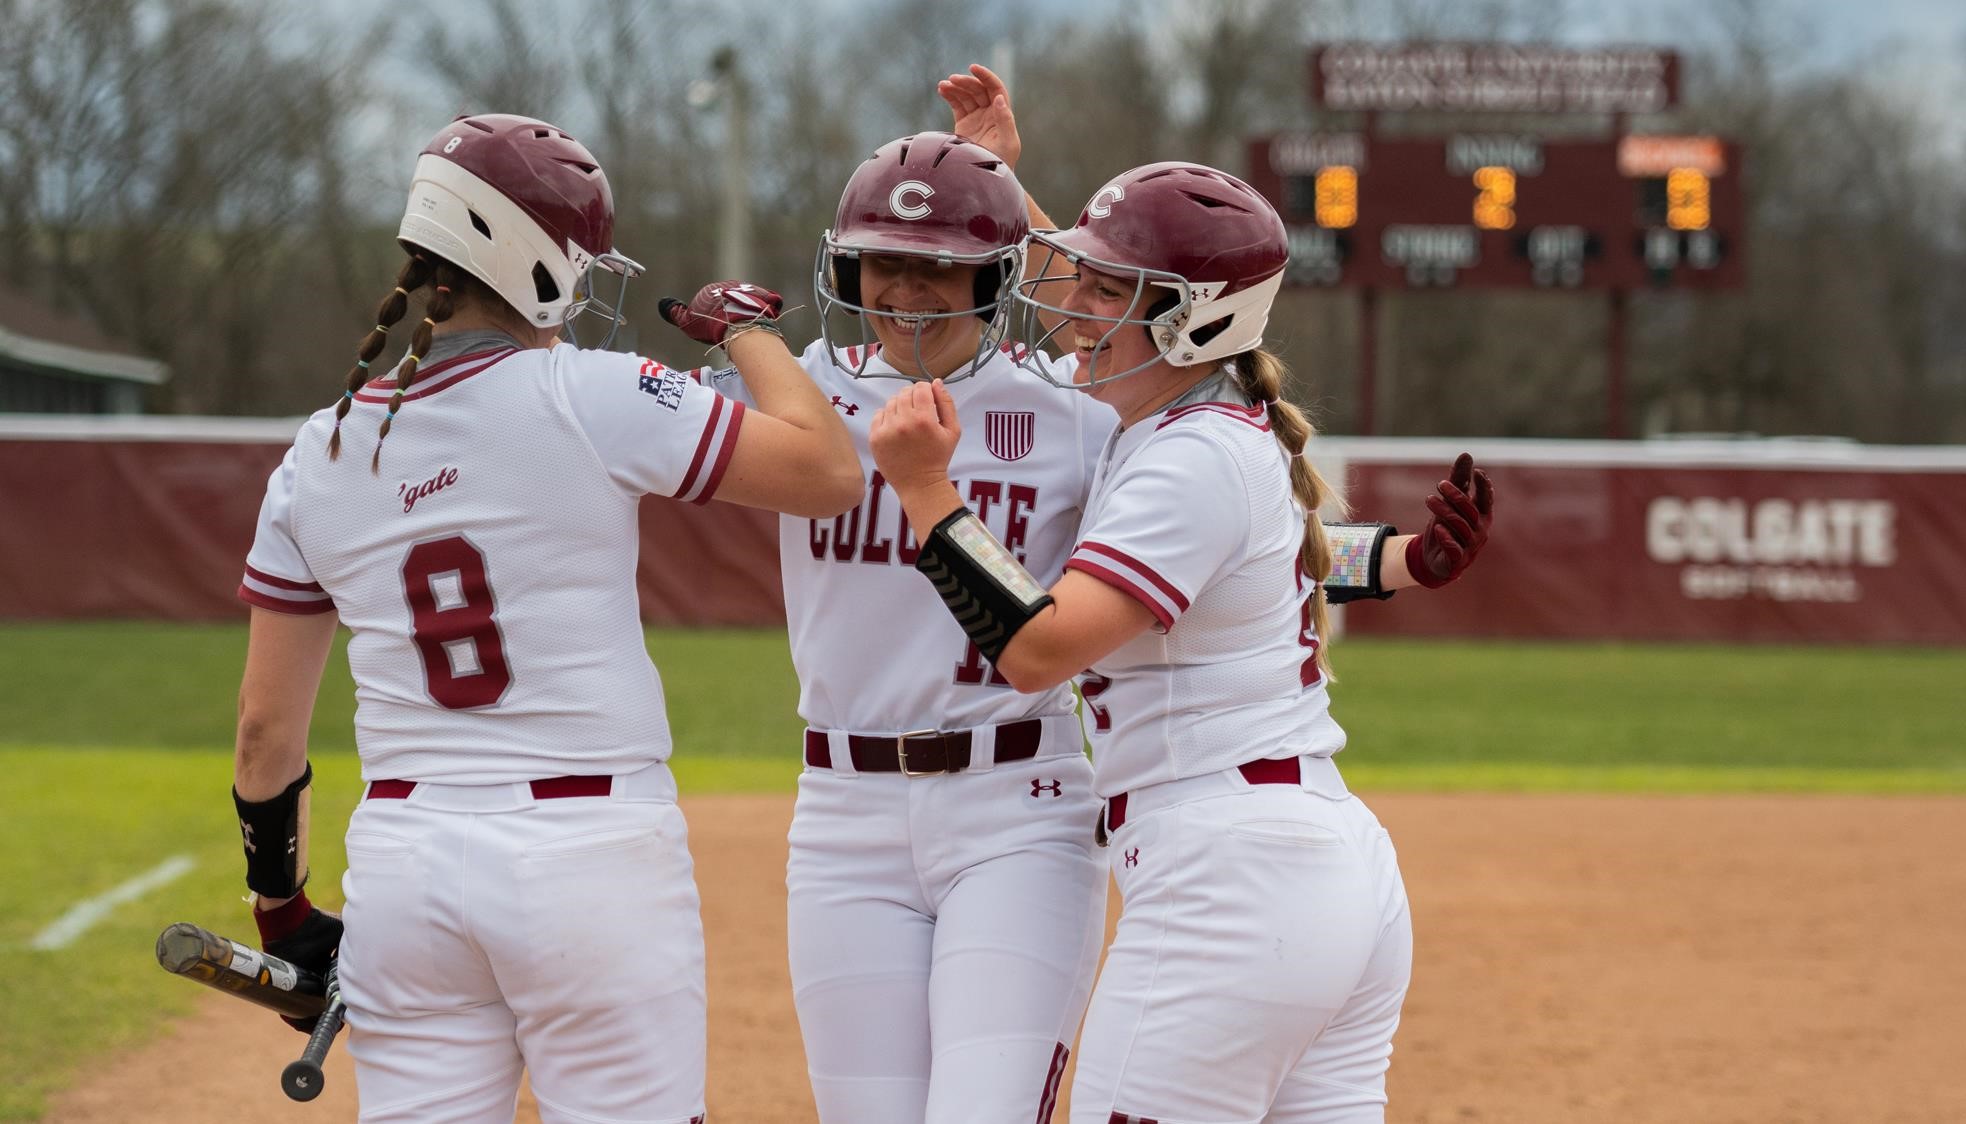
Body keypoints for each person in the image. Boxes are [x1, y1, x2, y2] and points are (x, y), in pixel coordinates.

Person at [228, 112, 861, 1124]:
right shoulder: (592, 392)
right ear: (533, 260)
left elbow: (265, 732)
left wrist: (283, 911)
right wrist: (747, 331)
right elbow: (830, 473)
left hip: (403, 858)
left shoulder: (320, 450)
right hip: (589, 849)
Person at [870, 159, 1495, 1123]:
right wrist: (1406, 558)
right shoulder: (1208, 428)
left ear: (1192, 320)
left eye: (1105, 289)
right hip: (1315, 866)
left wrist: (925, 491)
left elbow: (1038, 650)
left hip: (1230, 881)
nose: (1071, 308)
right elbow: (1269, 562)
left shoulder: (1190, 455)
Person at [683, 122, 1119, 1121]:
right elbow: (609, 428)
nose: (907, 289)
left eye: (939, 266)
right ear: (846, 267)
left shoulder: (1074, 407)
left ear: (993, 277)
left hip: (1018, 802)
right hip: (842, 814)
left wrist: (1381, 562)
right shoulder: (802, 392)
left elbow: (1216, 529)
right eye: (885, 262)